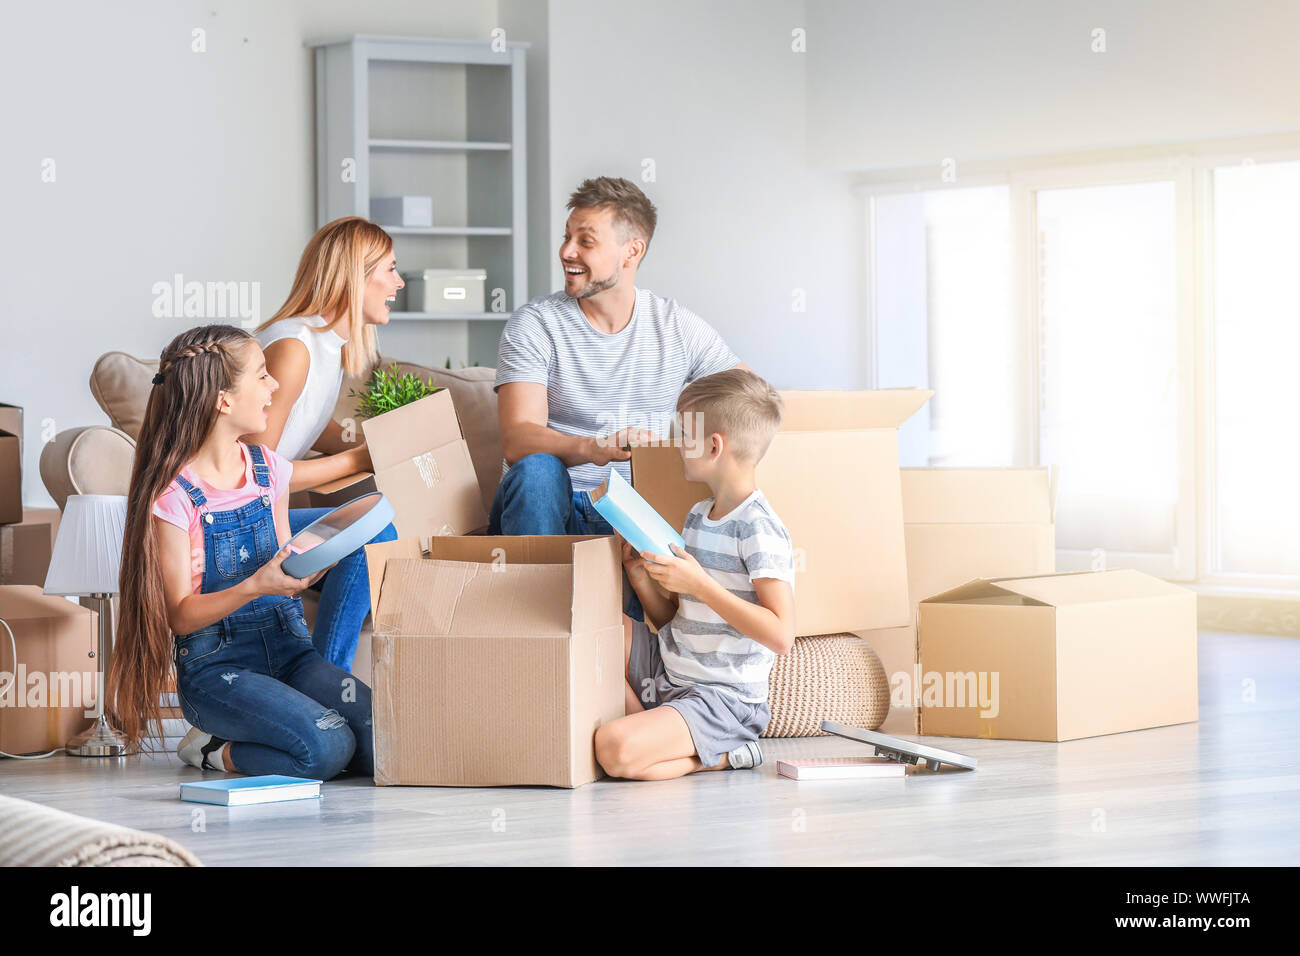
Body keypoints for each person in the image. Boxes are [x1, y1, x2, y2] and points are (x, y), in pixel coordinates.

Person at [109, 324, 373, 780]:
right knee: (328, 747)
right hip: (220, 672)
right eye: (262, 375)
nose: (274, 386)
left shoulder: (267, 470)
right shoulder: (174, 497)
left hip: (293, 656)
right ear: (223, 400)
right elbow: (181, 615)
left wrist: (306, 566)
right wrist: (256, 585)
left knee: (387, 736)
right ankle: (213, 749)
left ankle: (275, 730)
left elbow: (284, 560)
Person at [489, 178, 749, 621]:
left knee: (635, 517)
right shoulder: (535, 325)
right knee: (536, 472)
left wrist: (685, 442)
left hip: (630, 515)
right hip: (552, 509)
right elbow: (518, 439)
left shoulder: (676, 327)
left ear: (632, 252)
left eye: (585, 241)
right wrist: (593, 448)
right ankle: (537, 635)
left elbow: (749, 400)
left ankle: (610, 648)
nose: (567, 251)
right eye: (567, 237)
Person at [594, 369, 796, 780]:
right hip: (670, 671)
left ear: (714, 445)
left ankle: (727, 753)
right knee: (594, 631)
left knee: (612, 749)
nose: (677, 447)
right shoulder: (698, 516)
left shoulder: (759, 528)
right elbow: (676, 621)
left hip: (721, 700)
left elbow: (780, 636)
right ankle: (655, 729)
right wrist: (640, 578)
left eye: (683, 434)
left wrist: (701, 584)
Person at [244, 217, 403, 670]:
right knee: (374, 529)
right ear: (357, 275)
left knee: (379, 525)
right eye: (389, 269)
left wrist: (384, 439)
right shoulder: (293, 347)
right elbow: (255, 473)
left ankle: (324, 676)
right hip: (234, 525)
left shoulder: (325, 345)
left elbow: (308, 424)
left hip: (260, 516)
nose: (399, 282)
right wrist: (358, 458)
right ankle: (329, 676)